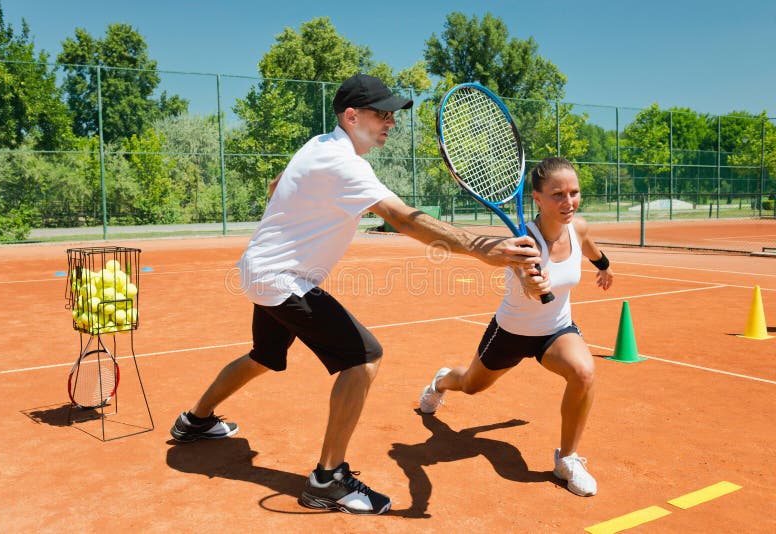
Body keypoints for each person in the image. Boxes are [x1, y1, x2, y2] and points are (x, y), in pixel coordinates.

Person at [170, 73, 545, 515]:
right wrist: (485, 249)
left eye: (392, 115)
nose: (390, 121)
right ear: (351, 116)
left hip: (264, 269)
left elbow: (277, 185)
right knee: (363, 358)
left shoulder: (318, 146)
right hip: (282, 277)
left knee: (264, 357)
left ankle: (195, 421)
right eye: (381, 113)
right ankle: (327, 480)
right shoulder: (344, 163)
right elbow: (403, 219)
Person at [418, 156, 614, 498]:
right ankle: (441, 380)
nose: (568, 202)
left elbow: (590, 248)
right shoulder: (524, 242)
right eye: (558, 194)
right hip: (510, 333)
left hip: (555, 332)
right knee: (471, 385)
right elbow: (528, 284)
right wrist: (534, 285)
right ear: (537, 198)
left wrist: (605, 266)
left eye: (574, 192)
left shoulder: (577, 227)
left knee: (584, 373)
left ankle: (567, 459)